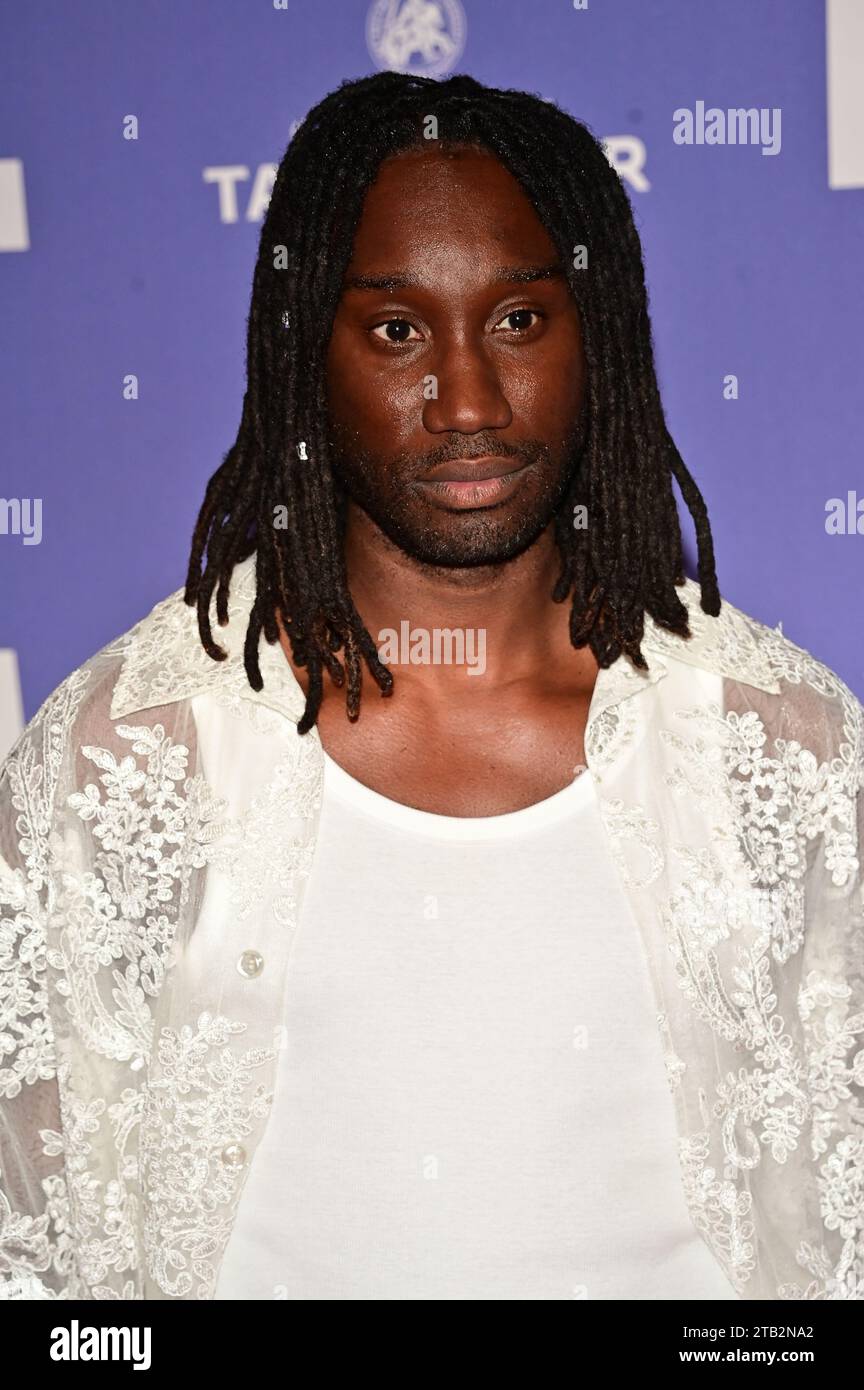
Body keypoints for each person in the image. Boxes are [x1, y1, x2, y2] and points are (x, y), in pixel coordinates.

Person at [1, 71, 862, 1302]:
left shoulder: (781, 749)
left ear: (597, 334)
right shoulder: (127, 755)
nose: (466, 401)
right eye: (398, 330)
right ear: (310, 352)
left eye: (518, 320)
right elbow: (33, 1257)